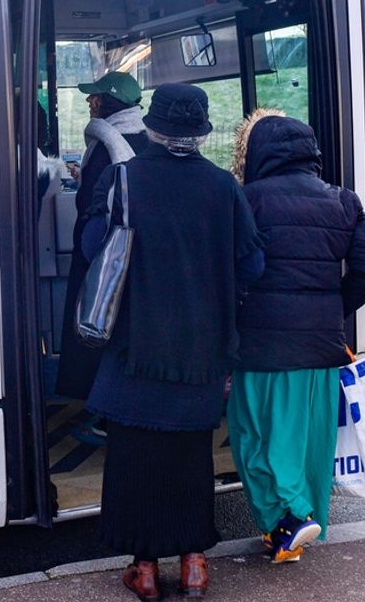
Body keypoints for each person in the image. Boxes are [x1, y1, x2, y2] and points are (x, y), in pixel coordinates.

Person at [81, 83, 264, 601]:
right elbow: (252, 264)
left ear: (153, 129)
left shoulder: (125, 180)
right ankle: (194, 565)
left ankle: (143, 569)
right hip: (200, 351)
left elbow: (94, 247)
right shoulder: (224, 188)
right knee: (189, 457)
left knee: (135, 456)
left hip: (134, 347)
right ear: (200, 133)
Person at [227, 109, 365, 563]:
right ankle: (292, 528)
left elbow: (230, 270)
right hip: (319, 347)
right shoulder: (342, 200)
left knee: (257, 438)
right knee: (308, 440)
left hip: (259, 346)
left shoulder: (246, 199)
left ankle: (290, 518)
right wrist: (334, 307)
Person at [54, 72, 148, 438]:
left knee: (98, 331)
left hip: (107, 258)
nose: (90, 103)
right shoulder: (144, 138)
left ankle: (107, 413)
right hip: (138, 260)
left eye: (94, 98)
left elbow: (97, 204)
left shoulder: (107, 143)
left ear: (108, 103)